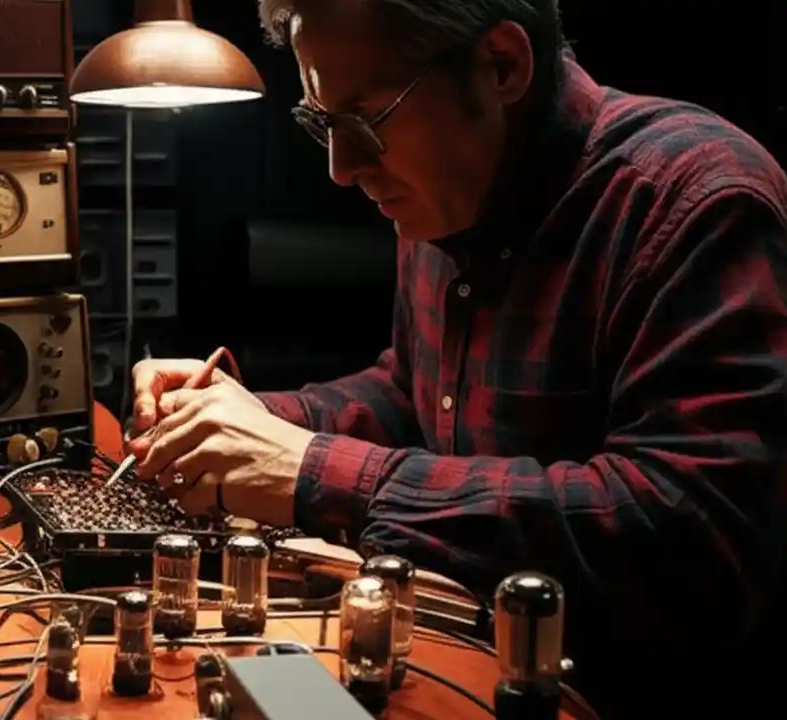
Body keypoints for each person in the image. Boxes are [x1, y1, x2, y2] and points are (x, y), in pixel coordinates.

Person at [126, 0, 787, 715]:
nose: (342, 169)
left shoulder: (696, 199)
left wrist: (313, 470)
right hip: (458, 662)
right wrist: (247, 423)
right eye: (323, 123)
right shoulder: (451, 183)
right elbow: (416, 395)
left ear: (501, 65)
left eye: (365, 120)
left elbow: (692, 534)